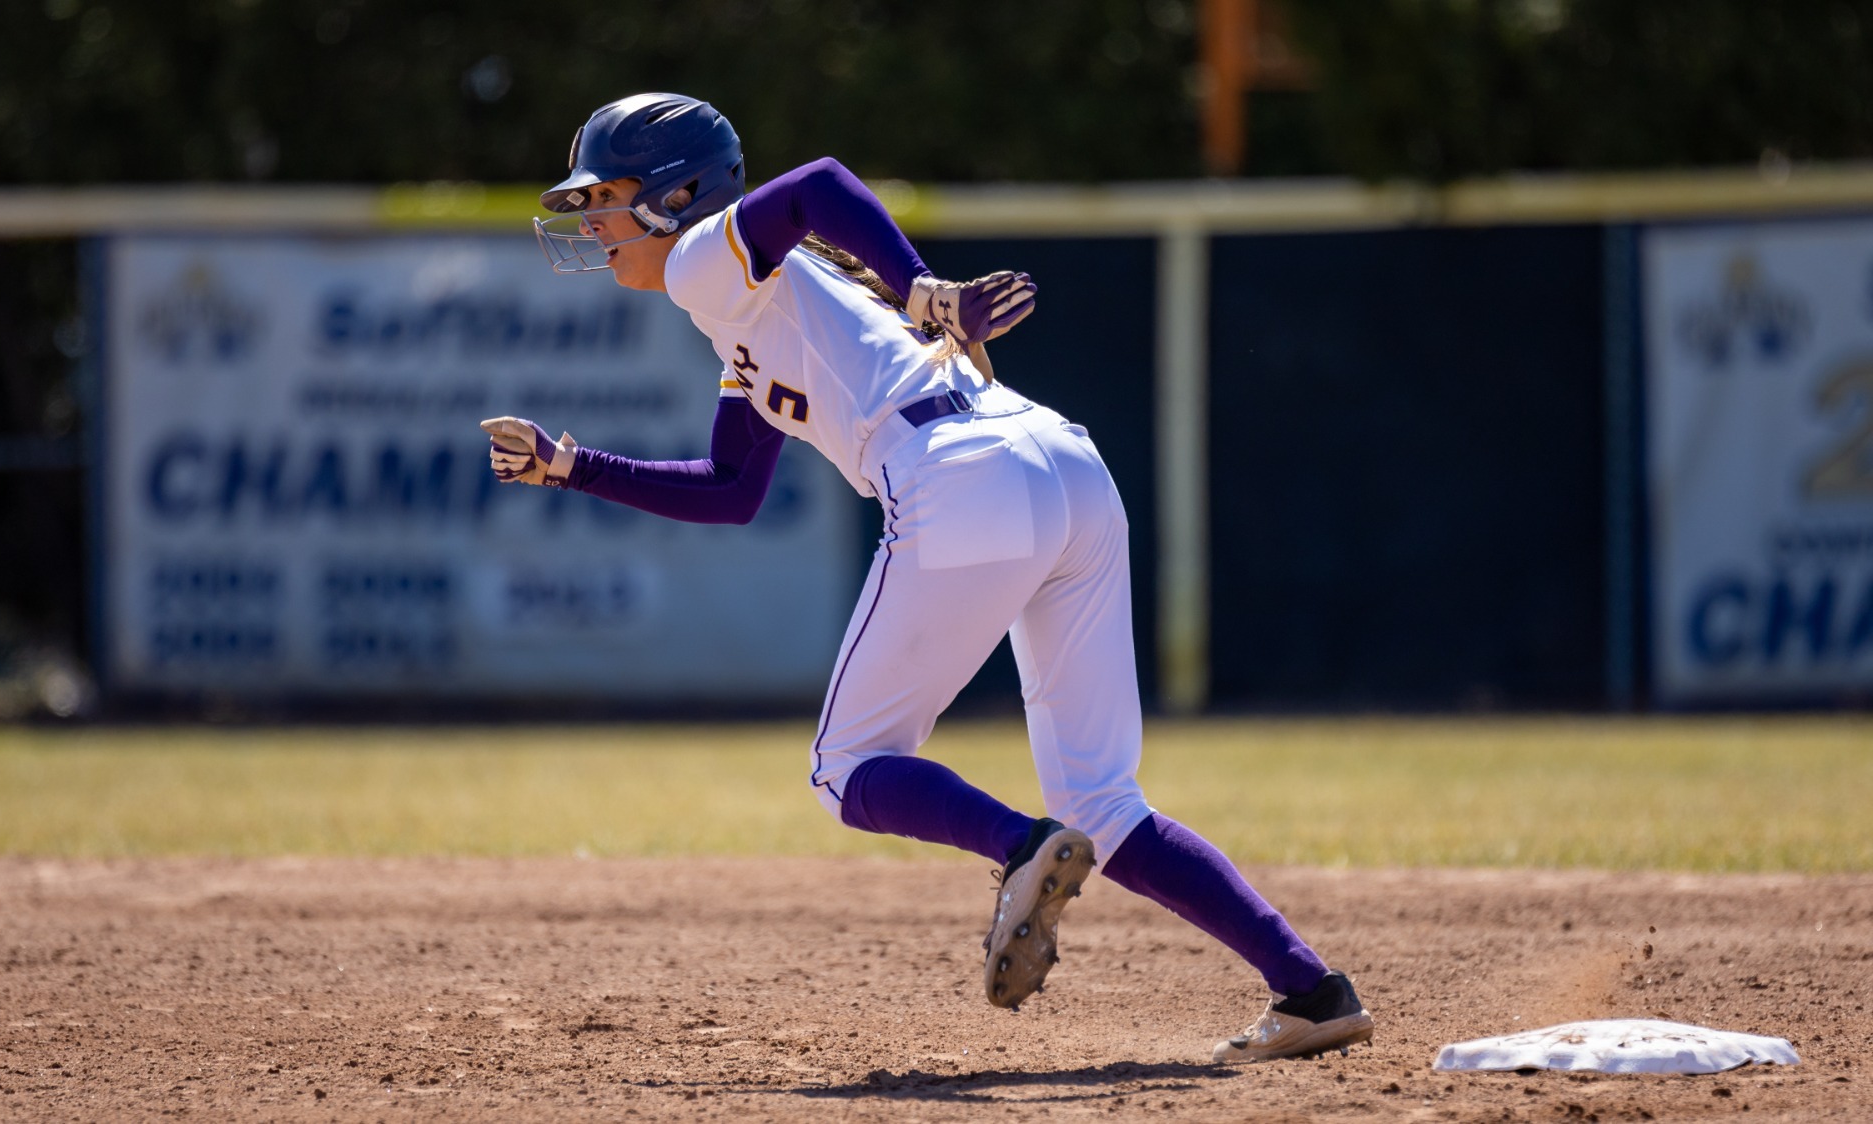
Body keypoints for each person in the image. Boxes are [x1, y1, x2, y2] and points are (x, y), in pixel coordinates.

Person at [481, 92, 1372, 1063]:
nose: (590, 222)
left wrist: (921, 288)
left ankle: (1022, 847)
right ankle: (1310, 987)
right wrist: (572, 466)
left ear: (677, 195)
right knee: (1103, 798)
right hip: (1060, 460)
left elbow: (815, 184)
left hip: (955, 473)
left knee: (845, 765)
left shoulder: (702, 260)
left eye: (605, 197)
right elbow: (731, 487)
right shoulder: (764, 304)